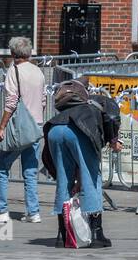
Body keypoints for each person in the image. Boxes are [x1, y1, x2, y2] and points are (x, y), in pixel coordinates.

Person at [43, 78, 121, 248]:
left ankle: (63, 235)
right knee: (92, 179)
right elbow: (113, 118)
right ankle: (96, 234)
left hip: (55, 129)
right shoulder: (104, 101)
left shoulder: (72, 106)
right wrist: (114, 139)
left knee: (63, 181)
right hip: (79, 129)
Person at [0, 36, 46, 224]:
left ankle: (2, 211)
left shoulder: (13, 71)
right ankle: (33, 211)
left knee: (2, 167)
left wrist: (1, 127)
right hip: (36, 125)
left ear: (13, 53)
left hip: (19, 127)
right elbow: (44, 100)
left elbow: (11, 102)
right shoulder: (38, 71)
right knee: (30, 170)